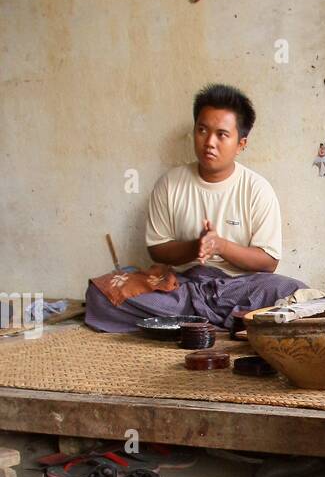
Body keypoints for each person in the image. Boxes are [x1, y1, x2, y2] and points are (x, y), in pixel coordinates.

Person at [85, 84, 304, 331]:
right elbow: (157, 250)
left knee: (296, 293)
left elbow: (268, 262)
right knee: (100, 294)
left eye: (222, 134)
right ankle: (226, 322)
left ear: (241, 144)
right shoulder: (170, 183)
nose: (209, 142)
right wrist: (195, 247)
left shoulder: (257, 189)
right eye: (202, 130)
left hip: (239, 287)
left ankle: (187, 323)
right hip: (184, 288)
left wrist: (220, 246)